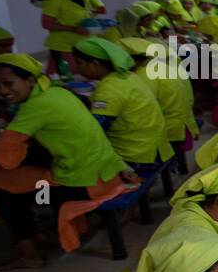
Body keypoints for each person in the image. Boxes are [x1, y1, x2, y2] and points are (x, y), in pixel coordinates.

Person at [0, 53, 128, 267]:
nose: (2, 91)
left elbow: (4, 153)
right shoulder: (57, 92)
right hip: (105, 172)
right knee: (24, 176)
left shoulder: (35, 106)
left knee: (1, 182)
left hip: (87, 183)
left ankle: (30, 253)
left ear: (30, 80)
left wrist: (15, 146)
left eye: (8, 84)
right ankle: (38, 232)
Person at [74, 37, 173, 174]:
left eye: (79, 63)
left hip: (136, 156)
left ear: (94, 64)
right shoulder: (127, 76)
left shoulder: (110, 88)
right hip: (154, 148)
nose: (76, 68)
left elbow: (96, 130)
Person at [39, 0, 100, 73]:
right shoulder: (54, 0)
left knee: (81, 73)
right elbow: (47, 24)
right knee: (64, 75)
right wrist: (73, 28)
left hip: (81, 42)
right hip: (63, 46)